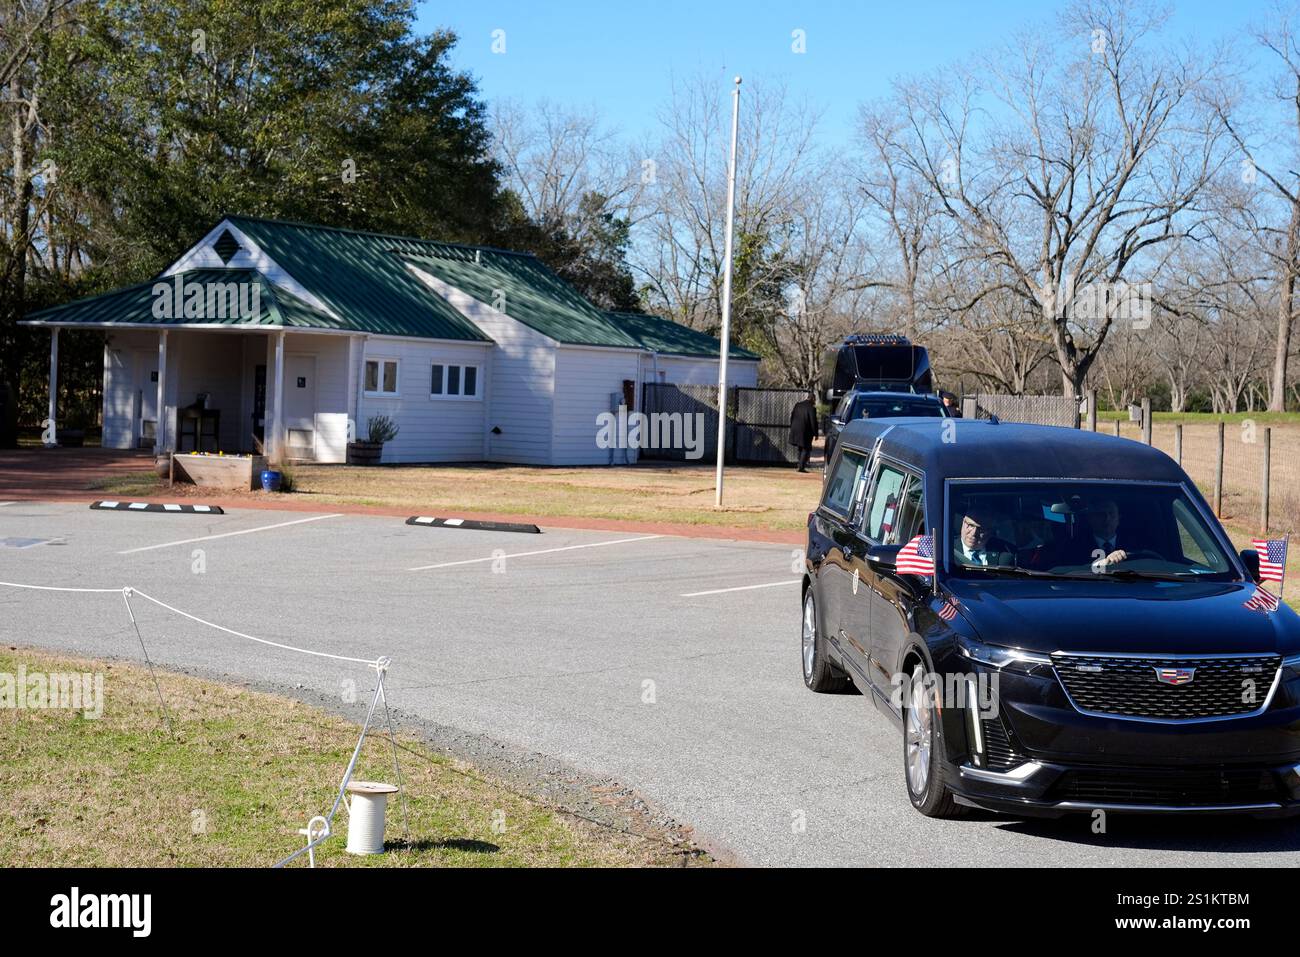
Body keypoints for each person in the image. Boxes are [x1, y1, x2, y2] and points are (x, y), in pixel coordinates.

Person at [951, 506, 1016, 568]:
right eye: (970, 525)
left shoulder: (1005, 552)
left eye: (981, 529)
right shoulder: (947, 549)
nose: (973, 533)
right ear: (963, 522)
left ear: (990, 532)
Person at [789, 391, 819, 473]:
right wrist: (815, 433)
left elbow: (792, 416)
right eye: (815, 399)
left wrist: (792, 426)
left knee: (800, 447)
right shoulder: (812, 408)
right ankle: (801, 467)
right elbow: (813, 422)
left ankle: (799, 465)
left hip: (796, 428)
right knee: (806, 448)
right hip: (805, 430)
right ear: (812, 399)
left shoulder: (798, 405)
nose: (815, 401)